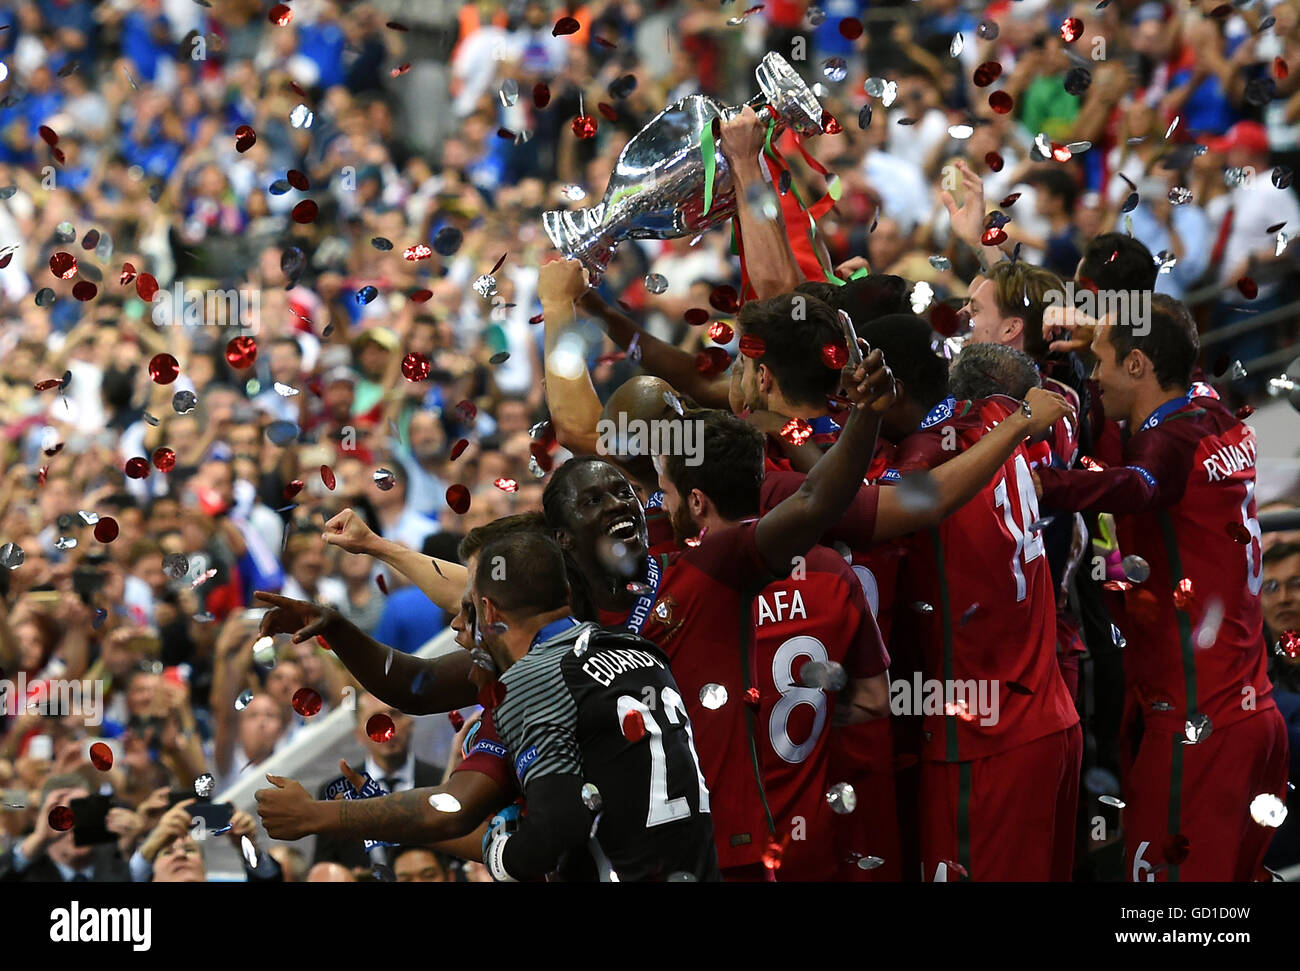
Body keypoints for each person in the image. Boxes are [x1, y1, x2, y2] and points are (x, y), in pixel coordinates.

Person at [1036, 295, 1289, 881]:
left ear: (1137, 365)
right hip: (1252, 714)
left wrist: (1033, 479)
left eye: (1100, 360)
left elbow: (1140, 486)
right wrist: (1108, 330)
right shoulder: (1213, 413)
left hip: (1197, 728)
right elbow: (1179, 360)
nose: (1092, 375)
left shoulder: (1162, 445)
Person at [474, 531, 719, 882]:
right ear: (569, 594)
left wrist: (502, 856)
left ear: (488, 610)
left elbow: (558, 823)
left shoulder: (529, 677)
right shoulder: (641, 649)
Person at [312, 692, 445, 871]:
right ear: (359, 734)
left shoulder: (441, 782)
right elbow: (323, 867)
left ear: (410, 723)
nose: (387, 728)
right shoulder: (334, 793)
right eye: (376, 720)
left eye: (395, 715)